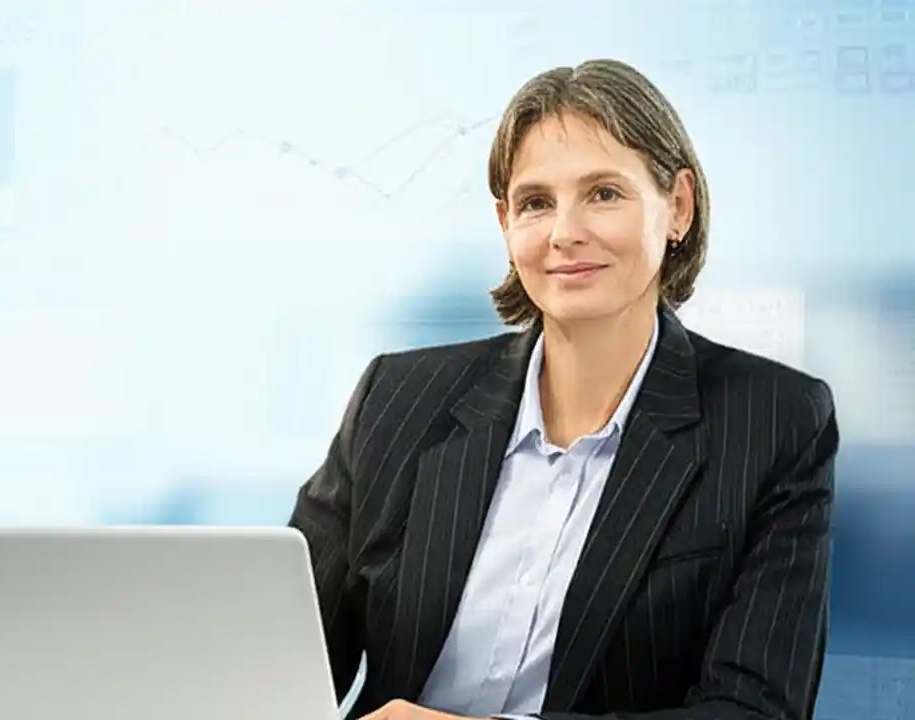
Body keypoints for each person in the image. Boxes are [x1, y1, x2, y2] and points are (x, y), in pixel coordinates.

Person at [288, 58, 838, 720]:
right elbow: (282, 659)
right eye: (536, 202)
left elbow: (754, 710)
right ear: (505, 225)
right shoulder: (397, 399)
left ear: (679, 207)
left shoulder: (774, 422)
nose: (564, 232)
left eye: (604, 193)